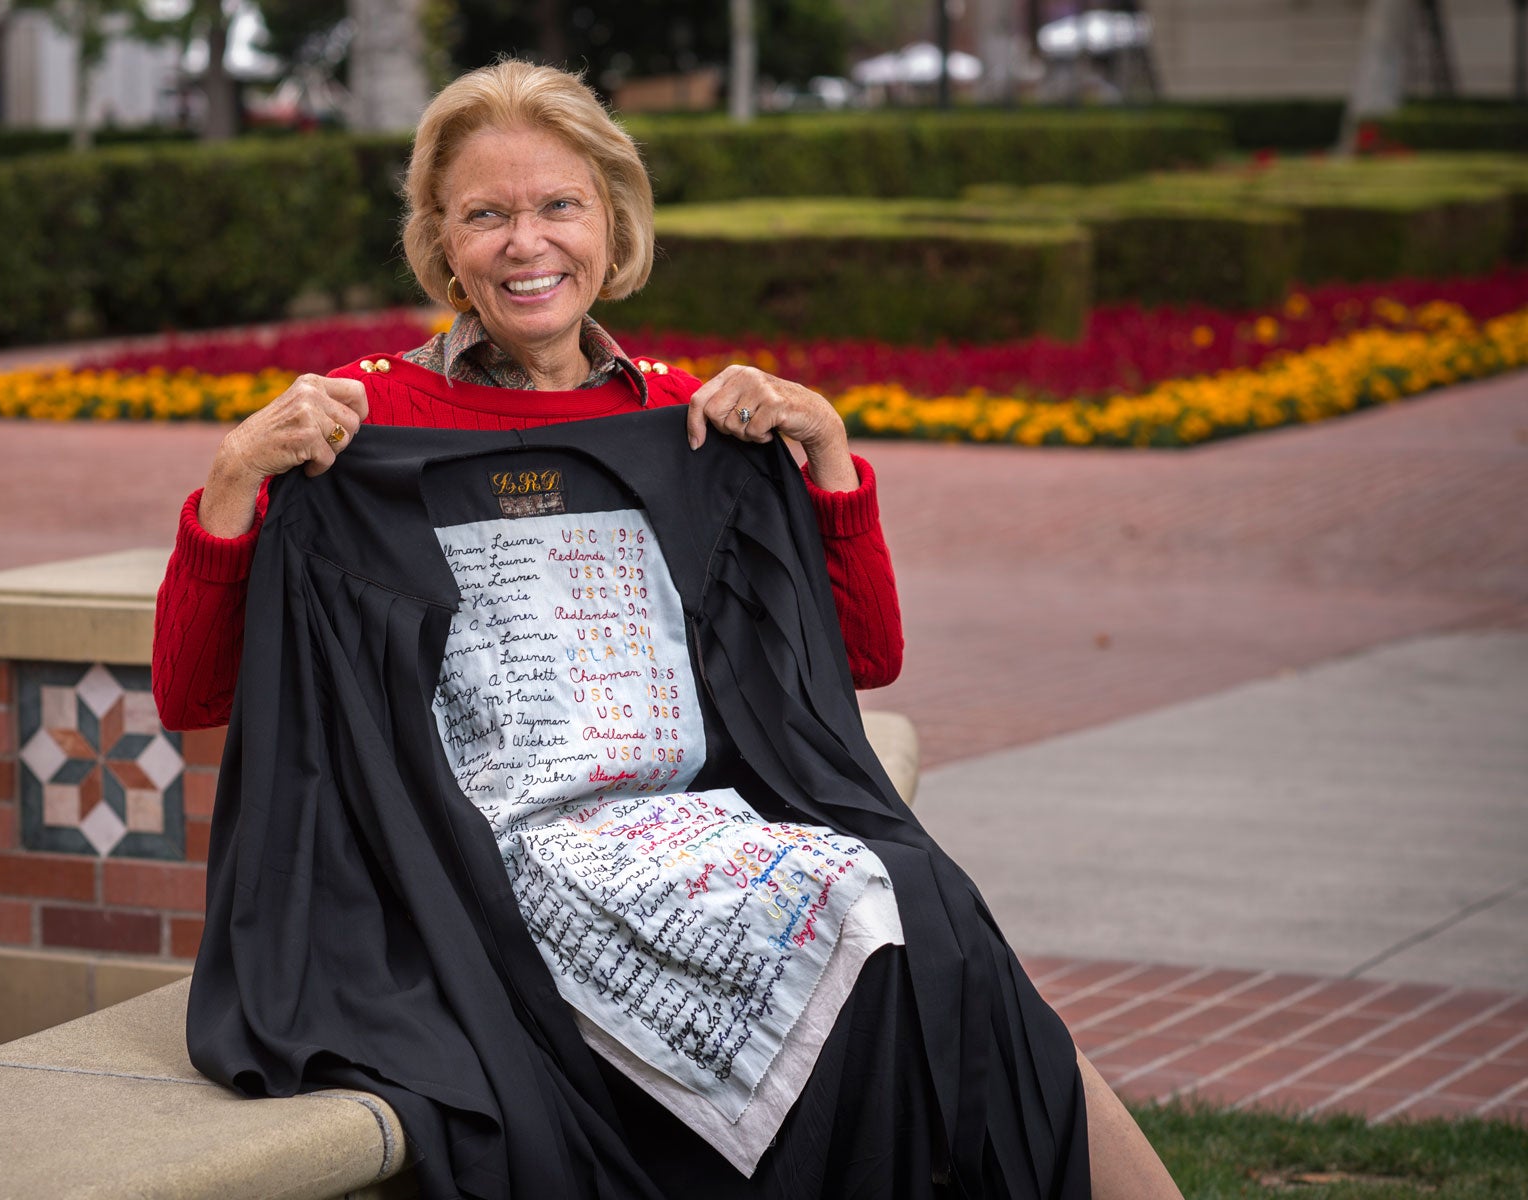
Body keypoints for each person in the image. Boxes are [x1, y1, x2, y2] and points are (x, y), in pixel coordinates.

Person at [156, 60, 1181, 1200]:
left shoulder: (680, 420)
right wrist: (235, 479)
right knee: (903, 913)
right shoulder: (362, 423)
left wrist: (827, 457)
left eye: (558, 206)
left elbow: (863, 660)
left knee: (931, 923)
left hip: (685, 832)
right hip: (477, 874)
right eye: (485, 215)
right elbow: (193, 694)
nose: (524, 242)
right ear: (441, 243)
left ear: (611, 223)